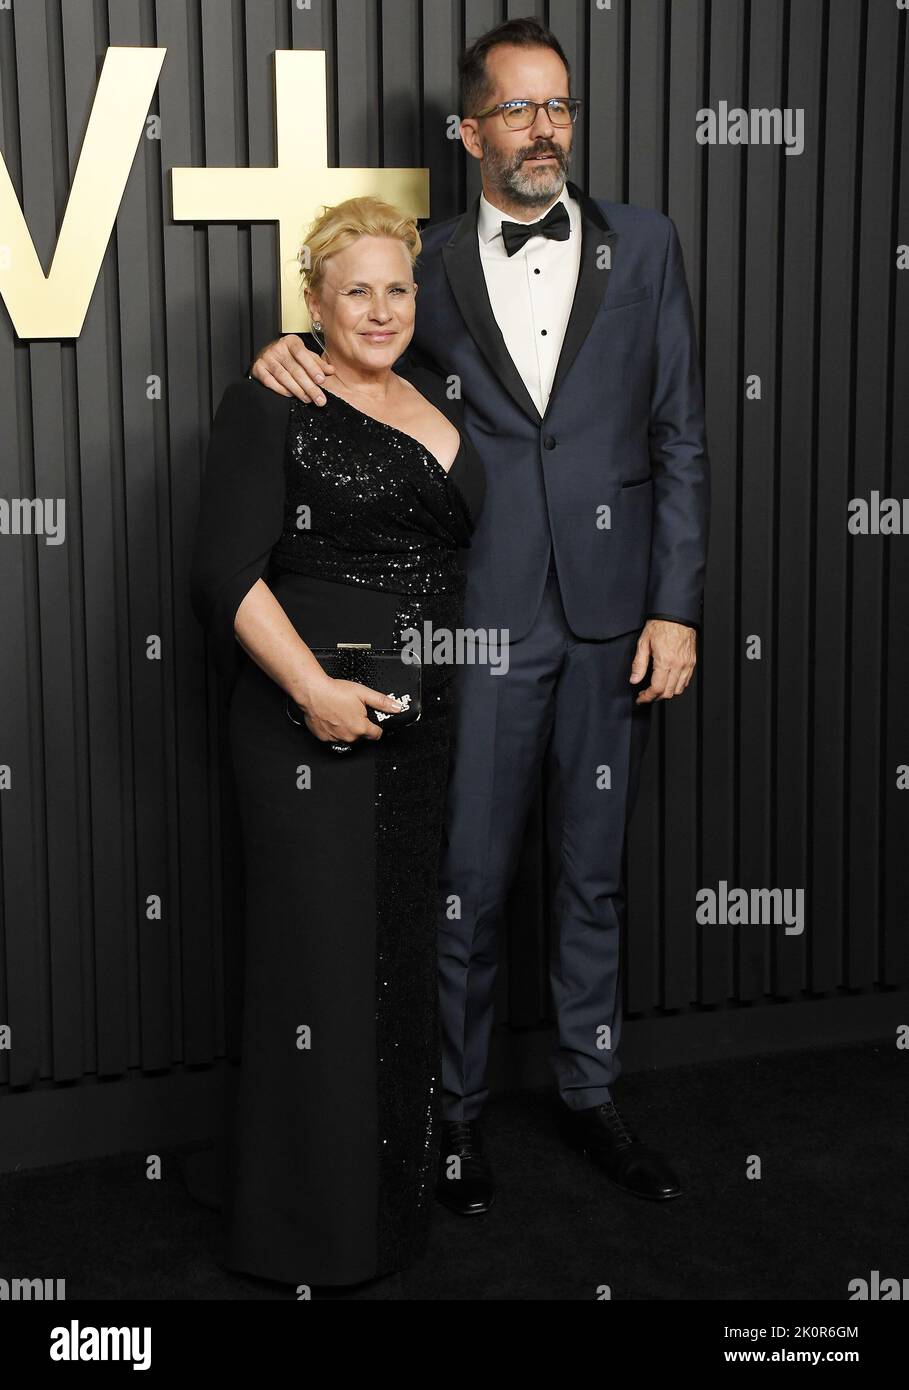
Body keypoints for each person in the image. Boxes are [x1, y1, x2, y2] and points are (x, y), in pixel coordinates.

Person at [251, 17, 710, 1213]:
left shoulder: (647, 245)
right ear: (469, 133)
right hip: (483, 621)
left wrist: (676, 603)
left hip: (617, 621)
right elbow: (359, 348)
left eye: (556, 106)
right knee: (467, 879)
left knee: (594, 877)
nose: (543, 128)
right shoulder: (432, 260)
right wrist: (281, 355)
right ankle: (453, 1118)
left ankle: (592, 1094)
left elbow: (678, 438)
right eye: (516, 109)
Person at [190, 195, 485, 1286]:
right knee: (317, 972)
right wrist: (312, 688)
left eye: (396, 287)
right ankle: (307, 1236)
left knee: (389, 967)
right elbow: (225, 571)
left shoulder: (432, 393)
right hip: (304, 729)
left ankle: (383, 1201)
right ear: (310, 300)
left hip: (419, 730)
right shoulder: (274, 398)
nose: (378, 306)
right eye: (353, 287)